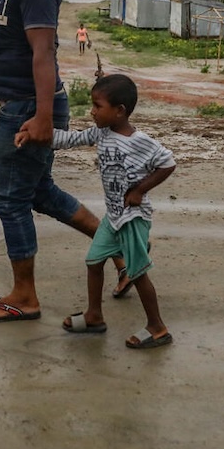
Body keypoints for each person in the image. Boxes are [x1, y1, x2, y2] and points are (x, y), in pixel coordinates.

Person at [0, 0, 123, 322]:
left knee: (11, 202)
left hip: (28, 108)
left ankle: (25, 296)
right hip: (25, 104)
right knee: (41, 192)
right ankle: (124, 251)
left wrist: (40, 118)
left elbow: (43, 54)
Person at [19, 73, 176, 349]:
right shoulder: (102, 132)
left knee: (137, 272)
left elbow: (168, 163)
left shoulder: (139, 141)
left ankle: (157, 327)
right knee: (93, 261)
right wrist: (36, 133)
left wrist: (140, 190)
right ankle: (94, 316)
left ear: (119, 111)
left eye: (97, 106)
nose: (92, 111)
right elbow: (70, 139)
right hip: (113, 217)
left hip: (133, 219)